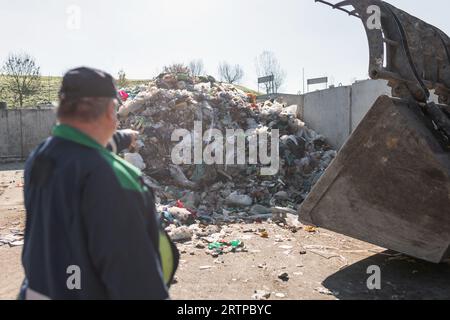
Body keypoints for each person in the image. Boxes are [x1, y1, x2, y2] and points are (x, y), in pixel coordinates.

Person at [19, 67, 179, 300]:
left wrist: (126, 137)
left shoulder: (41, 158)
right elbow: (137, 286)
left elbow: (84, 147)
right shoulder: (117, 180)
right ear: (110, 111)